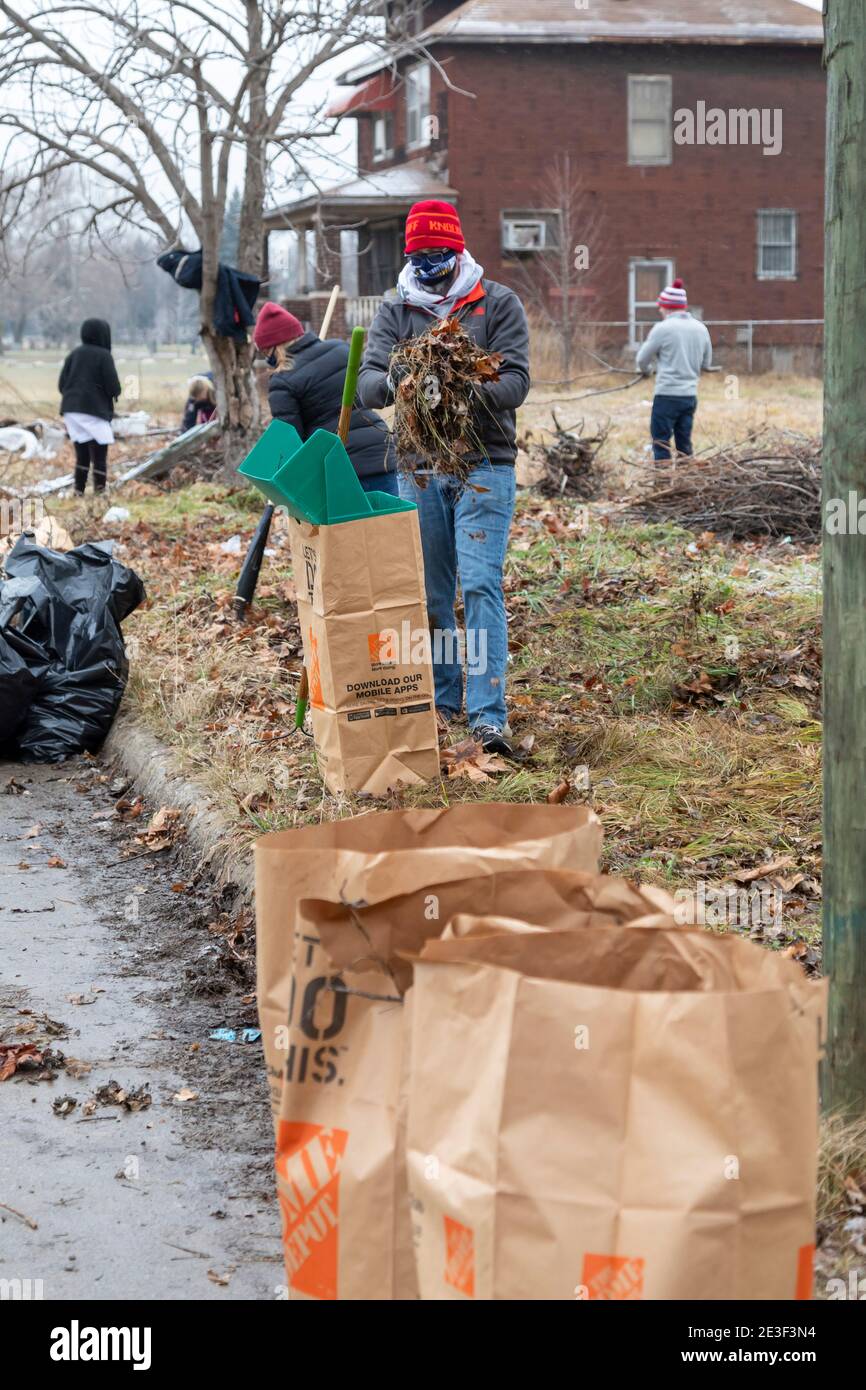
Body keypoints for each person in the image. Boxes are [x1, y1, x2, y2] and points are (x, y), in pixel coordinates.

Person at [358, 200, 530, 755]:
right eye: (420, 256)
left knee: (480, 584)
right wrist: (400, 380)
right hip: (419, 467)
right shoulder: (396, 312)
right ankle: (444, 698)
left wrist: (456, 391)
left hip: (485, 465)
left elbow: (517, 382)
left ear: (457, 252)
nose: (430, 265)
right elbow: (366, 386)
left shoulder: (496, 303)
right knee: (433, 594)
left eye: (440, 255)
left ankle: (488, 715)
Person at [252, 302, 397, 495]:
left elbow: (290, 442)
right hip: (382, 455)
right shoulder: (342, 349)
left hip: (337, 467)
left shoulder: (282, 381)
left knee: (348, 527)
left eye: (265, 352)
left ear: (273, 348)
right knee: (389, 523)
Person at [636, 279, 712, 461]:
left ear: (668, 307)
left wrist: (647, 370)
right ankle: (686, 484)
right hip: (689, 397)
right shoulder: (701, 329)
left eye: (661, 307)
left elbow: (641, 359)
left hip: (667, 396)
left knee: (661, 444)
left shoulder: (662, 329)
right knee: (684, 446)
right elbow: (707, 363)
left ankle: (662, 485)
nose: (660, 310)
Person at [58, 318, 121, 495]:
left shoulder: (74, 354)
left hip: (71, 410)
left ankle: (79, 491)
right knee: (99, 456)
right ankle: (100, 491)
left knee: (82, 455)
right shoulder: (104, 355)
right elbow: (113, 386)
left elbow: (62, 384)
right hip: (94, 411)